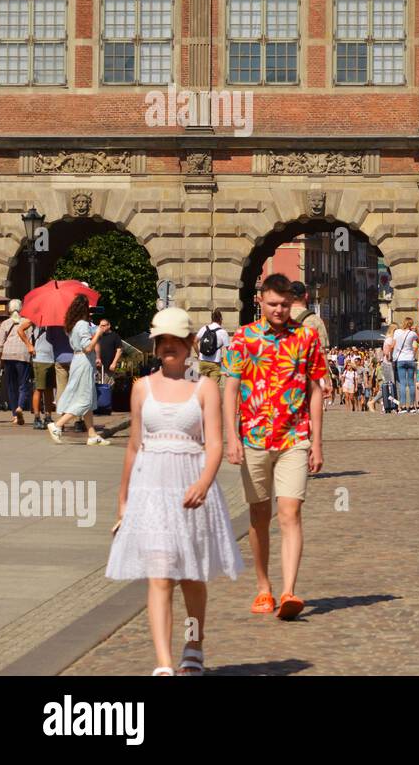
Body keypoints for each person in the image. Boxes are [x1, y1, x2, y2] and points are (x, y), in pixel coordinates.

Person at [105, 307, 242, 675]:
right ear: (155, 346)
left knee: (191, 576)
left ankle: (193, 644)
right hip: (151, 487)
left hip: (191, 487)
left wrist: (203, 482)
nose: (169, 347)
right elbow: (134, 445)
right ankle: (164, 663)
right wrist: (123, 498)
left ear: (189, 344)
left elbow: (215, 444)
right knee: (160, 573)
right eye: (162, 341)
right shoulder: (141, 388)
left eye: (175, 341)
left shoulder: (205, 388)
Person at [223, 273, 326, 621]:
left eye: (284, 304)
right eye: (272, 304)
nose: (279, 310)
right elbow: (230, 390)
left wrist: (317, 442)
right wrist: (231, 437)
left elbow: (315, 390)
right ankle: (264, 587)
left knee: (290, 512)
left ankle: (289, 591)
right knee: (258, 517)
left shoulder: (306, 337)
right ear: (261, 302)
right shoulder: (244, 338)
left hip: (294, 437)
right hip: (253, 437)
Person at [47, 296, 110, 446]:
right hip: (84, 362)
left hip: (78, 361)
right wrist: (98, 334)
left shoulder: (73, 324)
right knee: (84, 399)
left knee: (88, 398)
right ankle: (57, 425)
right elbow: (88, 347)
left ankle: (92, 434)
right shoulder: (82, 325)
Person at [290, 282, 332, 406]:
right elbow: (322, 354)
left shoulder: (279, 318)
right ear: (306, 296)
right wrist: (327, 381)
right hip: (307, 377)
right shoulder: (315, 321)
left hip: (283, 375)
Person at [0, 299, 33, 426]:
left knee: (11, 386)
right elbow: (30, 339)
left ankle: (14, 415)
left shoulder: (5, 323)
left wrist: (1, 360)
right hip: (23, 355)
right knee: (23, 384)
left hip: (8, 356)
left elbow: (0, 345)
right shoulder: (27, 322)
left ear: (9, 309)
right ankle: (20, 408)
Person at [22, 314, 56, 429]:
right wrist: (29, 345)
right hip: (40, 357)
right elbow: (20, 329)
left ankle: (48, 416)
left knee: (49, 389)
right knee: (39, 389)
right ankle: (37, 417)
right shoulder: (37, 318)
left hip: (53, 358)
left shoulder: (57, 318)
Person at [389, 316, 419, 412]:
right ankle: (411, 406)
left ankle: (402, 406)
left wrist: (391, 356)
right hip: (410, 359)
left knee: (402, 384)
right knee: (411, 383)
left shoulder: (397, 332)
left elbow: (392, 345)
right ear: (411, 325)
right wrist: (417, 331)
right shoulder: (412, 334)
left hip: (400, 360)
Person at [193, 311, 230, 385]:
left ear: (212, 319)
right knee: (214, 389)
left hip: (203, 362)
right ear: (220, 319)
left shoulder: (204, 328)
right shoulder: (223, 332)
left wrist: (199, 355)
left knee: (202, 387)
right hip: (215, 363)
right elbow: (229, 350)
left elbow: (194, 342)